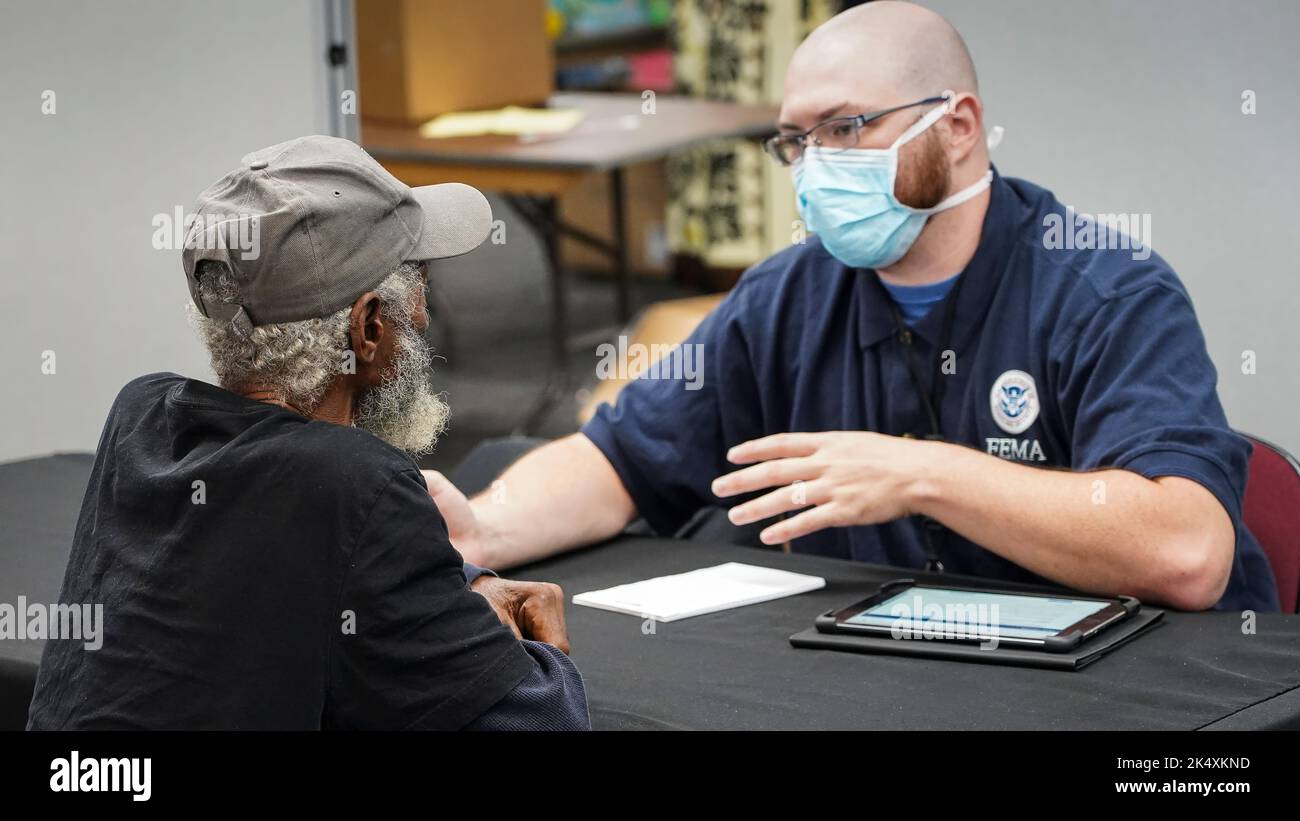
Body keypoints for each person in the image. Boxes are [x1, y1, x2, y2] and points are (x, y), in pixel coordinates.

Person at [430, 1, 1277, 612]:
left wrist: (922, 473)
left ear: (958, 127)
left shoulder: (1105, 291)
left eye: (846, 129)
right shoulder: (791, 295)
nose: (812, 168)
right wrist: (487, 529)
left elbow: (1187, 551)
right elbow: (620, 460)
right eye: (794, 142)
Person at [27, 135, 589, 730]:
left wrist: (463, 587)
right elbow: (543, 720)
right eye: (418, 279)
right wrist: (539, 656)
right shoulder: (354, 482)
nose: (423, 314)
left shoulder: (139, 417)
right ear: (368, 327)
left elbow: (278, 560)